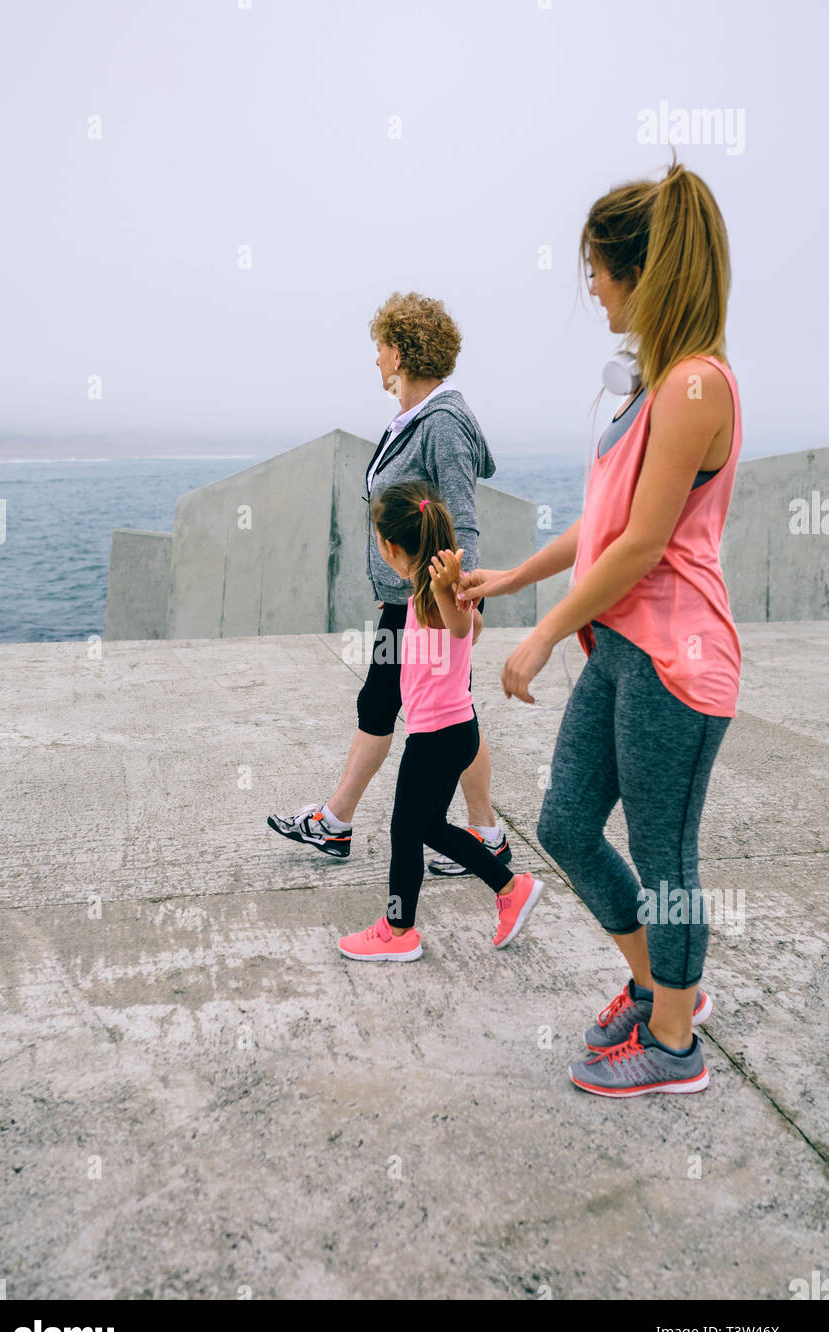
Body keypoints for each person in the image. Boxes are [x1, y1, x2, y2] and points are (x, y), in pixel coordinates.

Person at [460, 159, 741, 1097]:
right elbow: (602, 526)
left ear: (642, 272)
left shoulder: (698, 385)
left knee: (665, 854)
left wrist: (542, 634)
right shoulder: (653, 384)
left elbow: (642, 547)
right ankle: (660, 984)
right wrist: (515, 577)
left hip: (677, 658)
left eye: (597, 270)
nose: (592, 288)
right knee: (568, 824)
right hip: (622, 648)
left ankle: (674, 1045)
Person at [268, 291, 511, 874]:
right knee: (398, 705)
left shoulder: (444, 424)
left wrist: (461, 598)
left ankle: (472, 833)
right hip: (406, 598)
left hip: (427, 604)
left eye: (380, 347)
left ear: (400, 351)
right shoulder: (412, 419)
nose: (375, 358)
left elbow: (462, 514)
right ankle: (347, 821)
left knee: (434, 712)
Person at [338, 482, 543, 961]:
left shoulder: (437, 596)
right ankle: (510, 888)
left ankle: (397, 930)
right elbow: (467, 632)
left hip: (436, 738)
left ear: (390, 548)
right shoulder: (433, 596)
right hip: (456, 732)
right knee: (427, 827)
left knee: (404, 832)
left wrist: (444, 595)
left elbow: (455, 627)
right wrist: (443, 598)